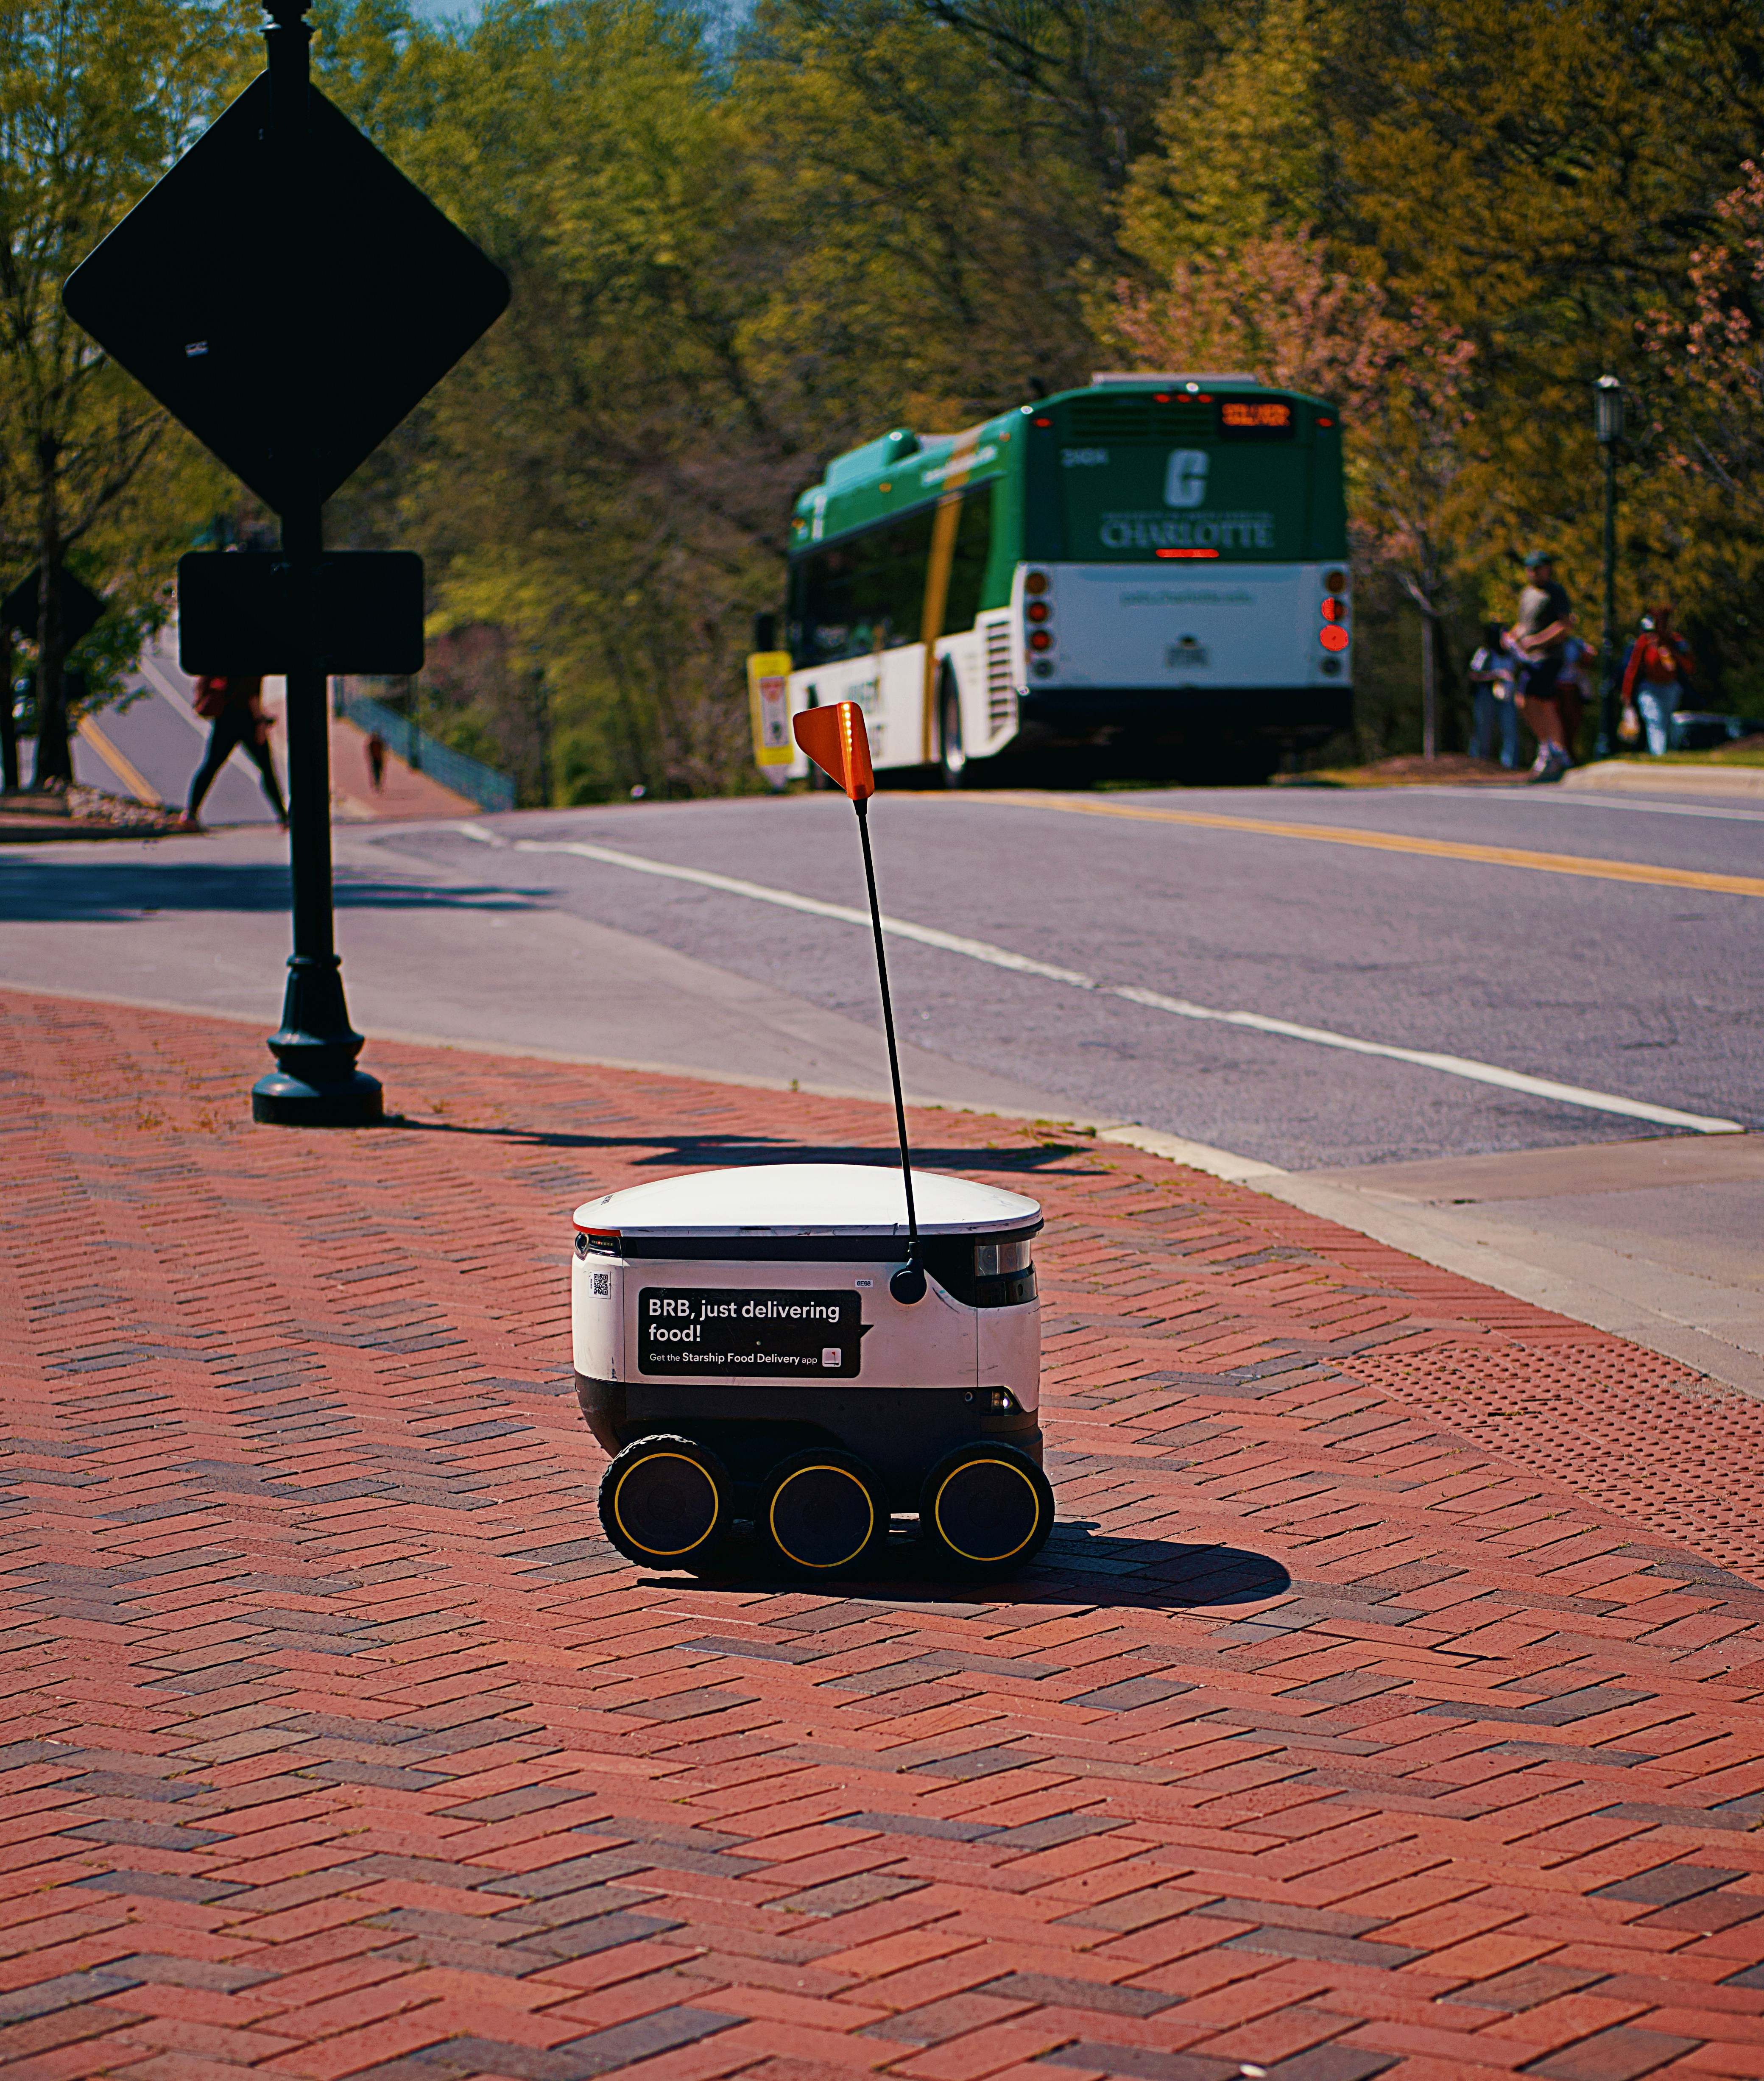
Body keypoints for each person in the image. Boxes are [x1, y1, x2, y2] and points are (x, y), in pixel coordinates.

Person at [179, 675, 287, 830]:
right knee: (266, 769)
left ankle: (191, 814)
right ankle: (283, 817)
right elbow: (252, 696)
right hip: (248, 720)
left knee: (211, 766)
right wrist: (260, 723)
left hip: (224, 720)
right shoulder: (252, 663)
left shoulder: (227, 658)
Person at [1509, 550, 1575, 782]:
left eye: (1539, 568)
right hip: (1528, 659)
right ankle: (1549, 746)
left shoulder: (1555, 593)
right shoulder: (1527, 594)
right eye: (1531, 568)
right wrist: (1513, 636)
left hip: (1549, 657)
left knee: (1543, 701)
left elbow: (1564, 625)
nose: (1535, 573)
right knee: (1526, 701)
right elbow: (1524, 624)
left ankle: (1555, 749)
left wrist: (1537, 642)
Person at [1620, 606, 1695, 756]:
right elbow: (1633, 669)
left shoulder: (1676, 641)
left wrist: (1672, 652)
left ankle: (1663, 754)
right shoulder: (1644, 642)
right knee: (1655, 720)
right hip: (1650, 689)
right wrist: (1627, 695)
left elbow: (1690, 666)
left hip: (1670, 688)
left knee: (1667, 723)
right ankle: (1659, 755)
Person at [1467, 622, 1522, 767]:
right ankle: (1479, 762)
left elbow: (1523, 666)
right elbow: (1474, 674)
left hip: (1508, 694)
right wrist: (1495, 675)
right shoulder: (1484, 652)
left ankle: (1509, 764)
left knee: (1510, 729)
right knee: (1483, 729)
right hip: (1487, 694)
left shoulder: (1512, 653)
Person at [366, 728, 387, 792]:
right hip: (375, 759)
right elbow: (369, 751)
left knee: (379, 772)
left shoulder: (380, 743)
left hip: (380, 759)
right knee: (375, 772)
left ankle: (378, 784)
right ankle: (377, 784)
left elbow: (383, 751)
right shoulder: (372, 744)